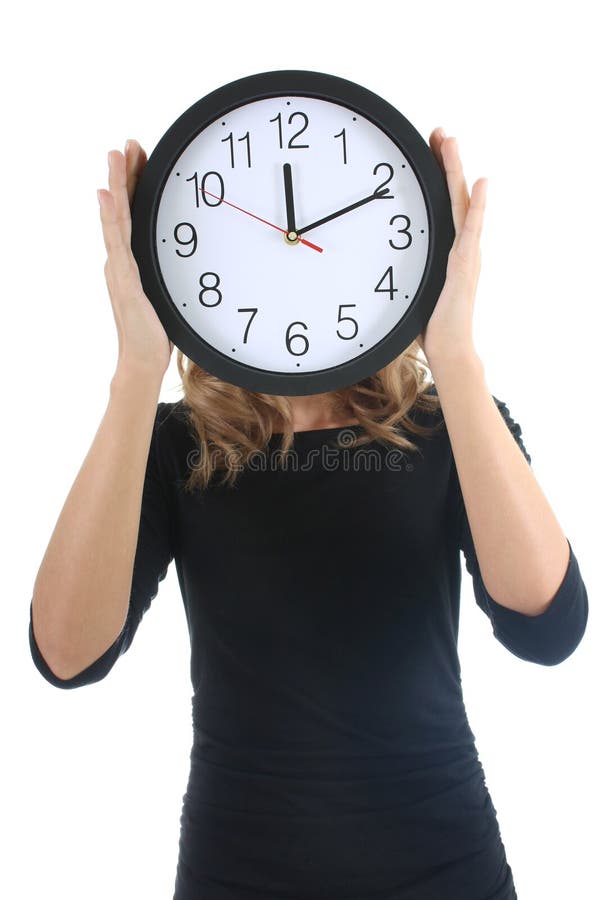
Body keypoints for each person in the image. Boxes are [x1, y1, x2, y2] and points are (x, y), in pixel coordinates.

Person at [29, 129, 588, 900]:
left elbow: (548, 625)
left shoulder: (447, 424)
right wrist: (135, 371)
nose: (294, 257)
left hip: (445, 866)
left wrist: (455, 354)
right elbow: (65, 654)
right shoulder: (178, 447)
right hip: (237, 873)